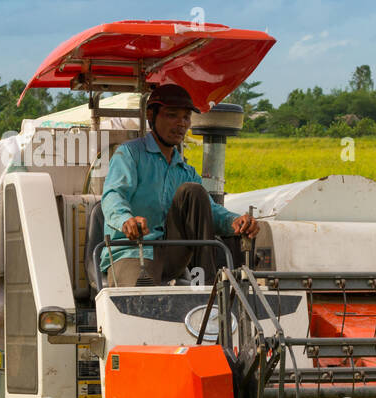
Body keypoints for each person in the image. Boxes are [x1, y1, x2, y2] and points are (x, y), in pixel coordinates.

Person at [100, 83, 258, 287]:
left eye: (186, 117)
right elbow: (114, 195)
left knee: (193, 191)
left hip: (173, 255)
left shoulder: (186, 171)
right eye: (172, 115)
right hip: (134, 250)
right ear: (151, 115)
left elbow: (212, 211)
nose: (181, 124)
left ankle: (207, 285)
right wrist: (126, 220)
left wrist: (236, 221)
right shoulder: (129, 154)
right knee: (139, 303)